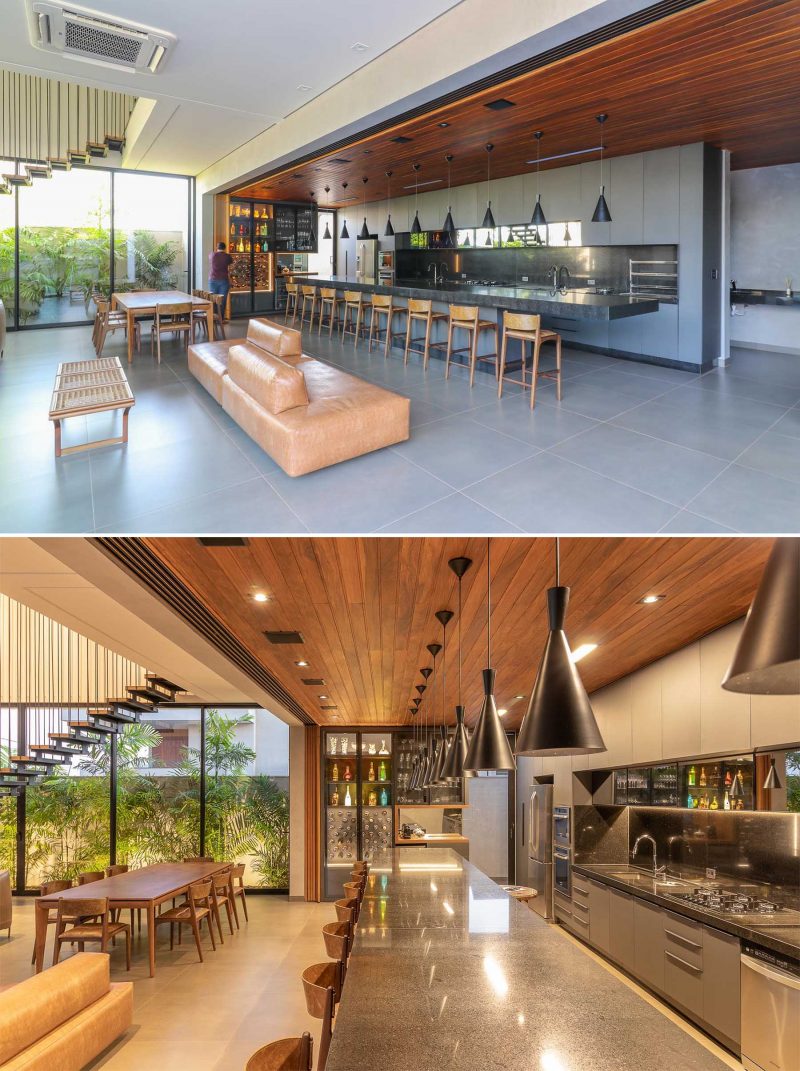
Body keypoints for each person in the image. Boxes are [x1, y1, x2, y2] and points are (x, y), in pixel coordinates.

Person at [208, 241, 233, 318]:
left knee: (213, 299)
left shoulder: (212, 255)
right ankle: (221, 319)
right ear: (225, 248)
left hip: (213, 280)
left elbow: (209, 257)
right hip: (223, 280)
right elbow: (231, 262)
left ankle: (213, 318)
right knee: (222, 300)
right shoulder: (227, 256)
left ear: (217, 247)